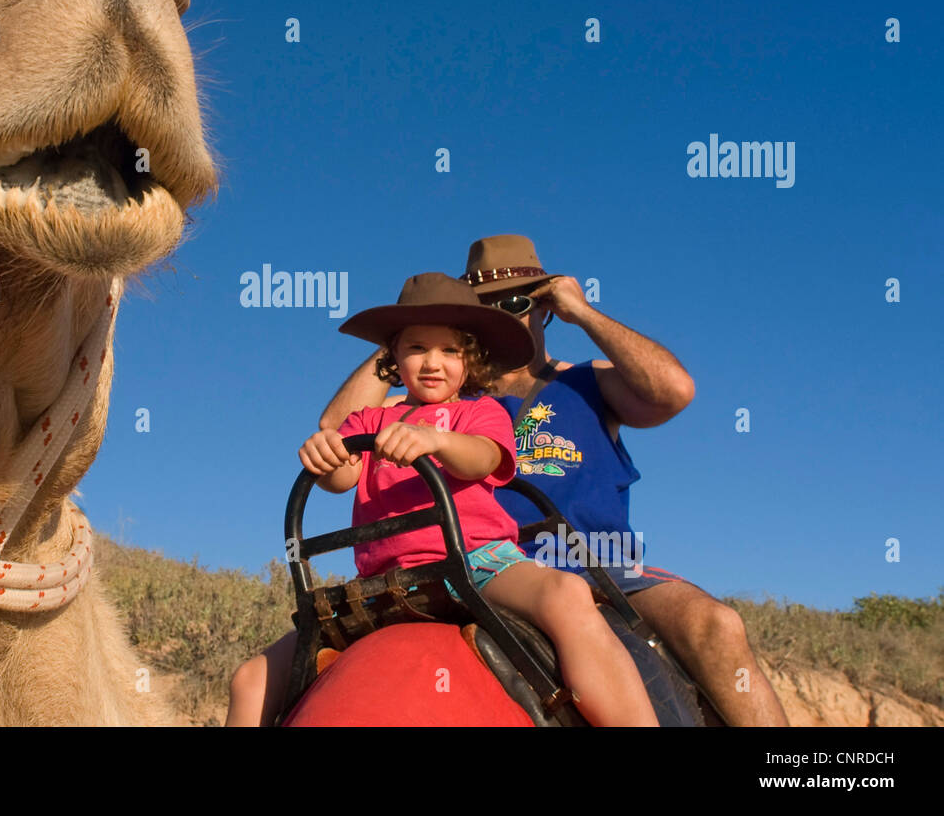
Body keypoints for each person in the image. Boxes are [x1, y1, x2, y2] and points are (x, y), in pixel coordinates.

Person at [320, 236, 789, 726]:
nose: (502, 314)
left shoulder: (589, 382)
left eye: (518, 303)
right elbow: (336, 433)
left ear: (543, 308)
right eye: (485, 307)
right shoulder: (430, 407)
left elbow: (673, 390)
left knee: (716, 625)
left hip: (593, 560)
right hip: (469, 556)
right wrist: (401, 333)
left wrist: (582, 312)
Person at [226, 272, 659, 727]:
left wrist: (436, 439)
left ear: (469, 360)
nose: (433, 362)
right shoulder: (372, 418)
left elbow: (484, 458)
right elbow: (341, 478)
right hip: (382, 581)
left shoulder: (480, 411)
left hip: (478, 560)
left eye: (450, 350)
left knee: (566, 594)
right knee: (250, 679)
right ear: (392, 356)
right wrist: (326, 454)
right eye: (416, 348)